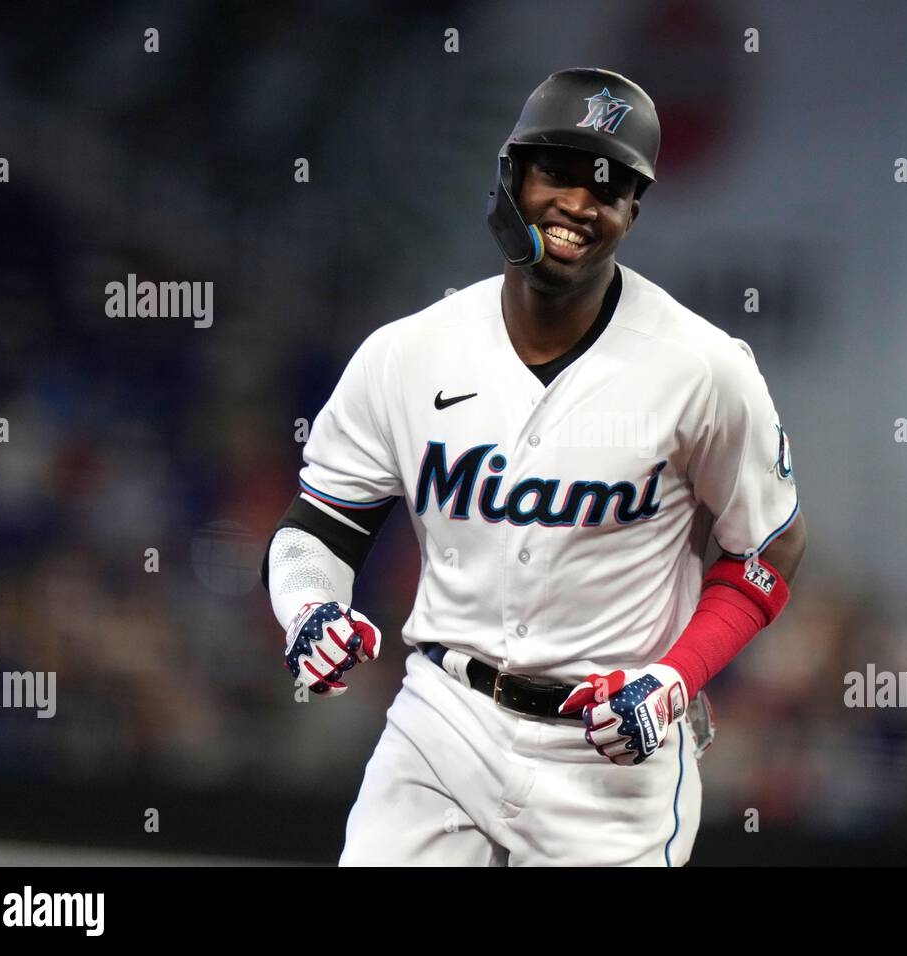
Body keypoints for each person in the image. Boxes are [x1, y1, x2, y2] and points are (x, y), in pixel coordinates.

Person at [261, 67, 806, 866]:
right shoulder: (408, 353)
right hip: (445, 721)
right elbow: (321, 526)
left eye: (611, 187)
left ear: (633, 212)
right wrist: (309, 609)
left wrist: (676, 676)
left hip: (612, 760)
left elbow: (769, 547)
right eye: (558, 169)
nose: (580, 204)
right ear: (510, 173)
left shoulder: (704, 369)